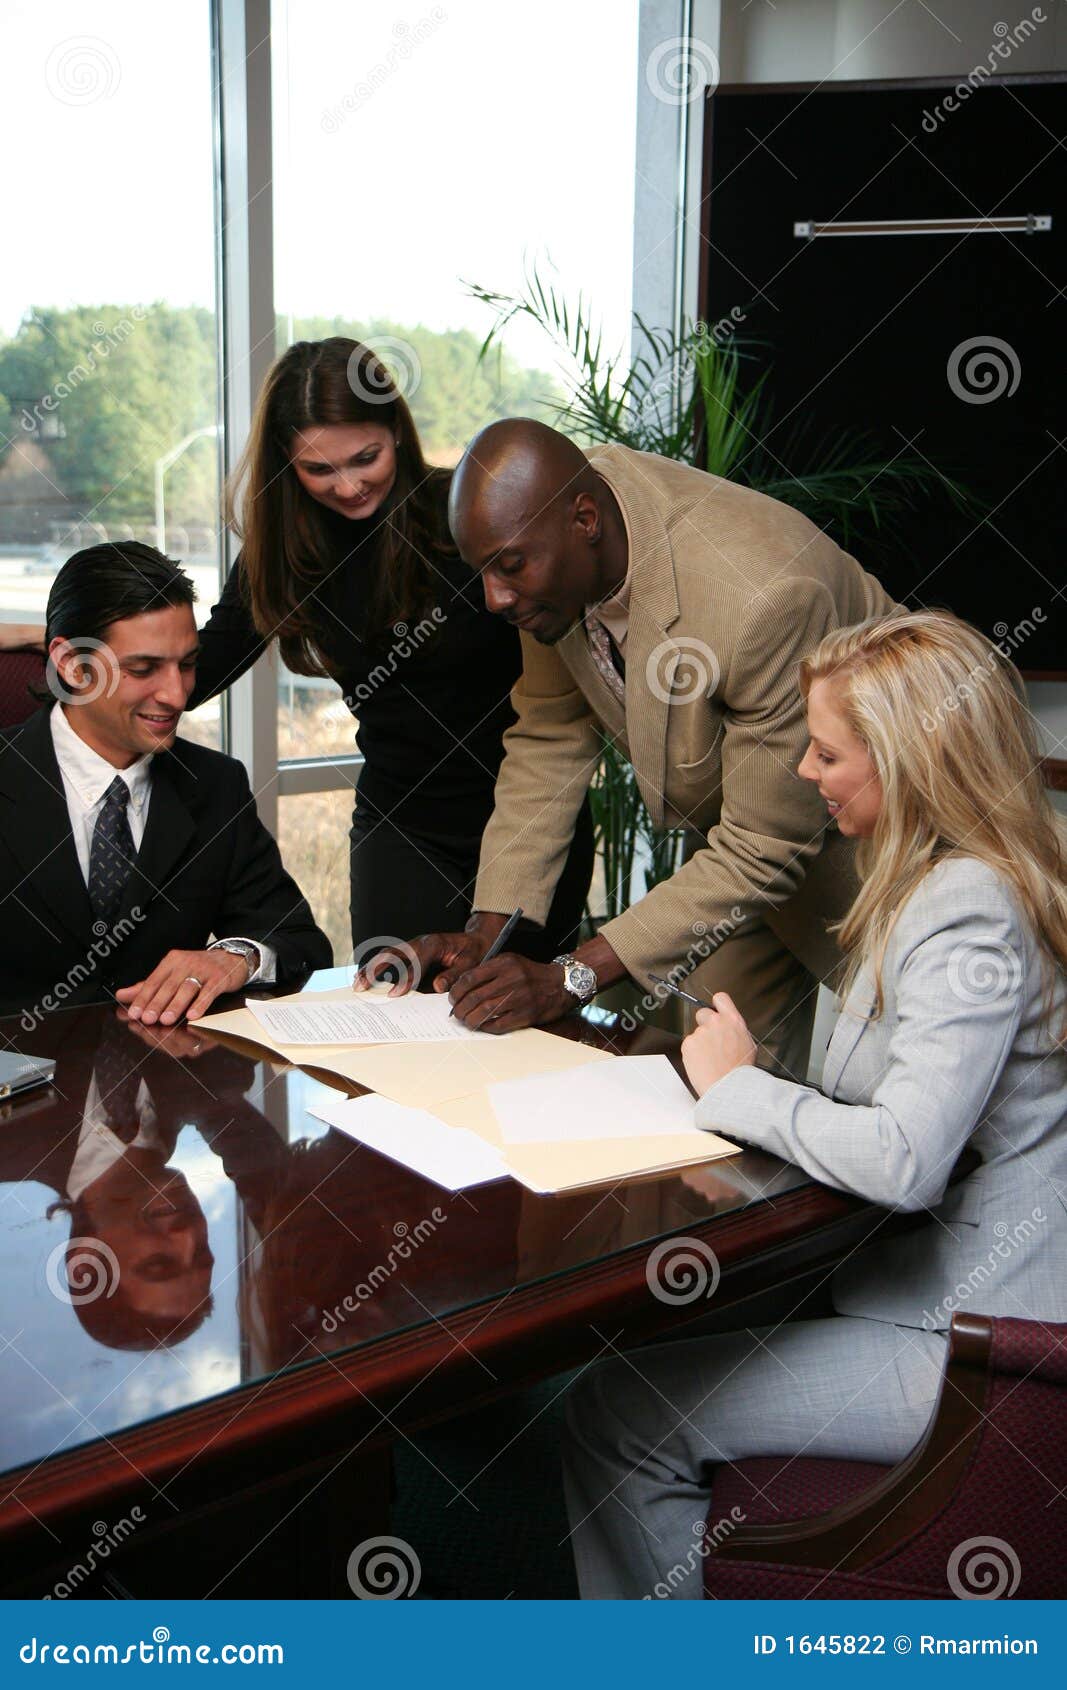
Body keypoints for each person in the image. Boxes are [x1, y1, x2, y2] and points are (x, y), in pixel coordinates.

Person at [561, 609, 1067, 1599]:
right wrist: (747, 1076)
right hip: (934, 1299)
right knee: (667, 1333)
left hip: (986, 1354)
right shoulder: (948, 880)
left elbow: (904, 1159)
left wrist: (736, 1087)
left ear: (910, 761)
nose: (803, 771)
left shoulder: (964, 906)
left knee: (610, 1410)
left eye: (826, 752)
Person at [361, 417, 896, 1078]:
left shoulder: (760, 598)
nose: (494, 597)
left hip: (892, 845)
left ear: (585, 519)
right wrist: (484, 932)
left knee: (950, 1109)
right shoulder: (547, 550)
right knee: (703, 1085)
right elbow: (548, 740)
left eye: (508, 568)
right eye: (483, 571)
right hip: (740, 854)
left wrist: (572, 976)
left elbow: (765, 846)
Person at [179, 337, 591, 963]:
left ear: (395, 430)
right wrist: (77, 665)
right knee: (395, 1019)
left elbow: (574, 641)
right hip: (402, 829)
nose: (347, 486)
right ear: (286, 466)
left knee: (522, 1027)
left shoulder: (464, 516)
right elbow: (198, 666)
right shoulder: (282, 554)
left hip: (527, 820)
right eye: (319, 470)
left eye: (364, 457)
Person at [0, 542, 331, 1021]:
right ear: (72, 664)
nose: (176, 695)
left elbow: (300, 943)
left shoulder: (217, 785)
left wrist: (236, 957)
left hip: (174, 1082)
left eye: (188, 664)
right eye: (144, 668)